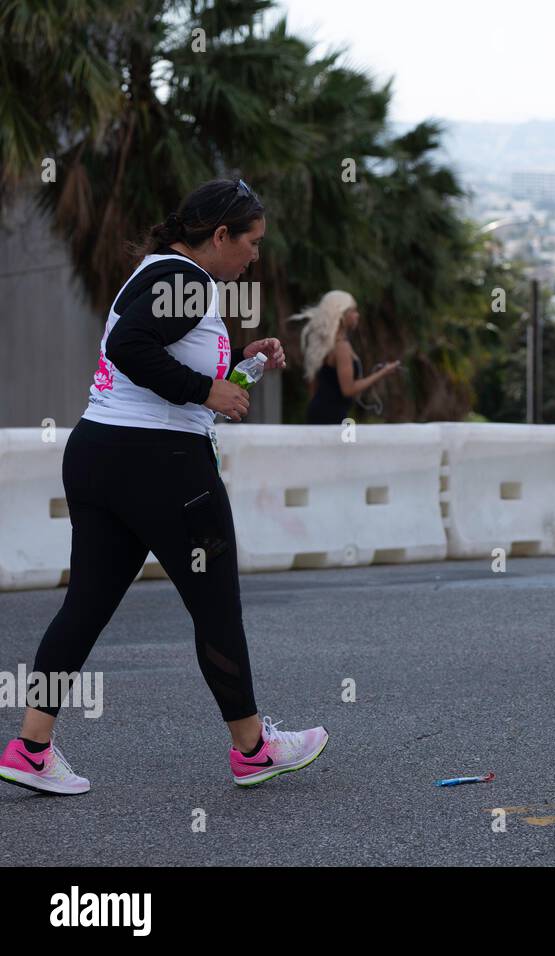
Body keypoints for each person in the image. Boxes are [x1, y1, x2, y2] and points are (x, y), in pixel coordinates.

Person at [0, 179, 329, 796]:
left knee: (86, 605)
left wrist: (241, 368)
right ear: (220, 235)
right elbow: (132, 347)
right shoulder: (189, 279)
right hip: (163, 466)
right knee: (216, 608)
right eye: (251, 243)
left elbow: (151, 364)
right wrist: (207, 390)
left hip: (100, 451)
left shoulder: (154, 273)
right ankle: (254, 750)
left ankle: (30, 747)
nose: (255, 257)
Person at [292, 290, 401, 425]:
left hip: (318, 413)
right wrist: (382, 373)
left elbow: (314, 388)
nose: (357, 315)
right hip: (332, 416)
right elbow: (348, 389)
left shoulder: (326, 345)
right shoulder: (341, 347)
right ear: (342, 315)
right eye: (353, 311)